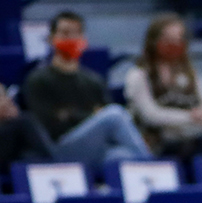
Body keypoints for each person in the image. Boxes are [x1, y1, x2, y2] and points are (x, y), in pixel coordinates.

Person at [22, 12, 152, 167]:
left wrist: (70, 114)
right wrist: (92, 115)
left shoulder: (93, 80)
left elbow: (102, 118)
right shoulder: (37, 79)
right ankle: (154, 168)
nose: (71, 38)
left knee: (120, 156)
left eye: (77, 33)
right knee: (115, 114)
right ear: (51, 38)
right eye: (65, 33)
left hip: (94, 147)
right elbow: (48, 125)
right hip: (59, 148)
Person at [123, 13, 202, 159]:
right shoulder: (139, 74)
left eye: (179, 39)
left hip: (190, 136)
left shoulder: (192, 75)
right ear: (154, 41)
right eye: (168, 39)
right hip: (158, 141)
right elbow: (150, 115)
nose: (174, 44)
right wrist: (190, 117)